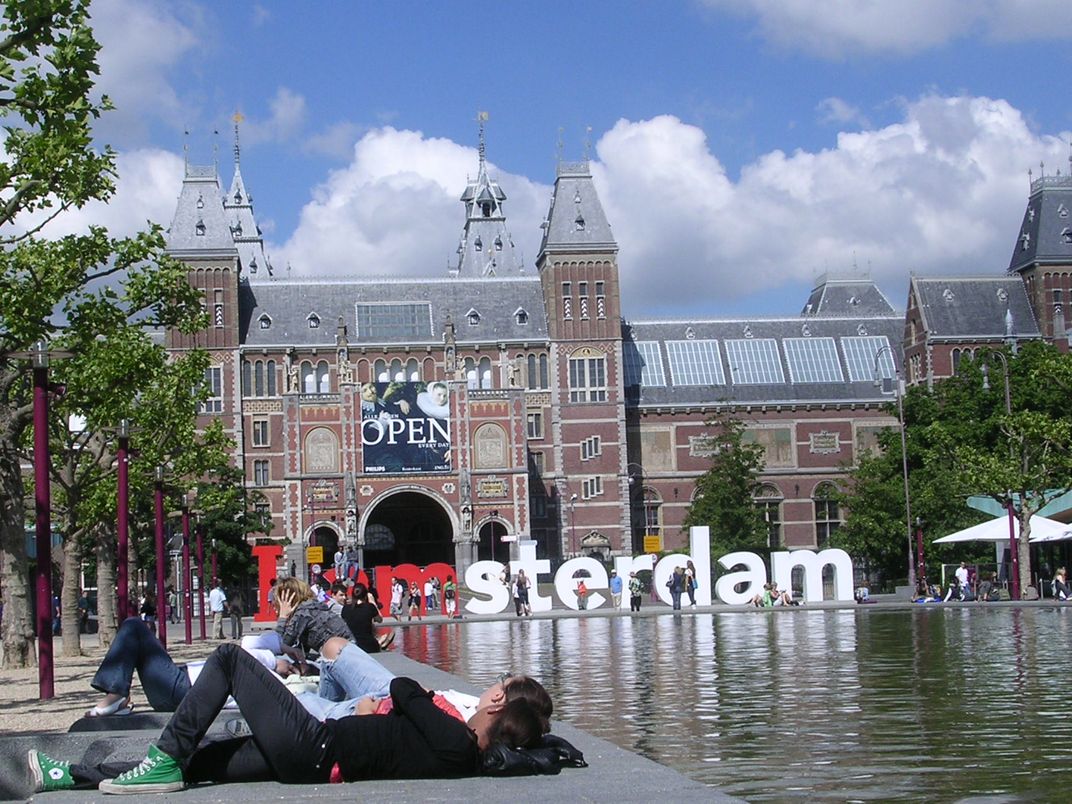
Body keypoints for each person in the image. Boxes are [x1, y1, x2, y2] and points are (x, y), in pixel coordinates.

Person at [28, 643, 545, 794]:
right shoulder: (459, 747)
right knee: (203, 763)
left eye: (496, 686)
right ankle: (71, 777)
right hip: (309, 755)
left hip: (316, 747)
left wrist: (421, 697)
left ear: (497, 705)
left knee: (231, 659)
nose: (486, 689)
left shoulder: (458, 743)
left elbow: (404, 687)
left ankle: (162, 758)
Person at [80, 616, 302, 718]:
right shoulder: (272, 667)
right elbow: (248, 642)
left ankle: (117, 693)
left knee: (134, 626)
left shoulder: (280, 683)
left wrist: (274, 662)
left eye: (298, 666)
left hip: (185, 690)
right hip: (180, 682)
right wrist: (283, 647)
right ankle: (117, 695)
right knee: (141, 631)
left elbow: (238, 656)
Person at [340, 582, 393, 653]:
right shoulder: (370, 607)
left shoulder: (346, 608)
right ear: (366, 596)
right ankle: (380, 642)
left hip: (352, 645)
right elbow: (380, 619)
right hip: (369, 646)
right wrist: (372, 601)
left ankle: (380, 641)